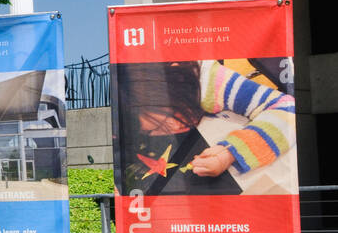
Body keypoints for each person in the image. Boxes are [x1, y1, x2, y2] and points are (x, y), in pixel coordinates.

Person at [125, 60, 295, 177]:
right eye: (152, 130)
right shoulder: (126, 103)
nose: (176, 127)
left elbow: (287, 109)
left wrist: (229, 153)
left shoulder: (206, 79)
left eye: (172, 114)